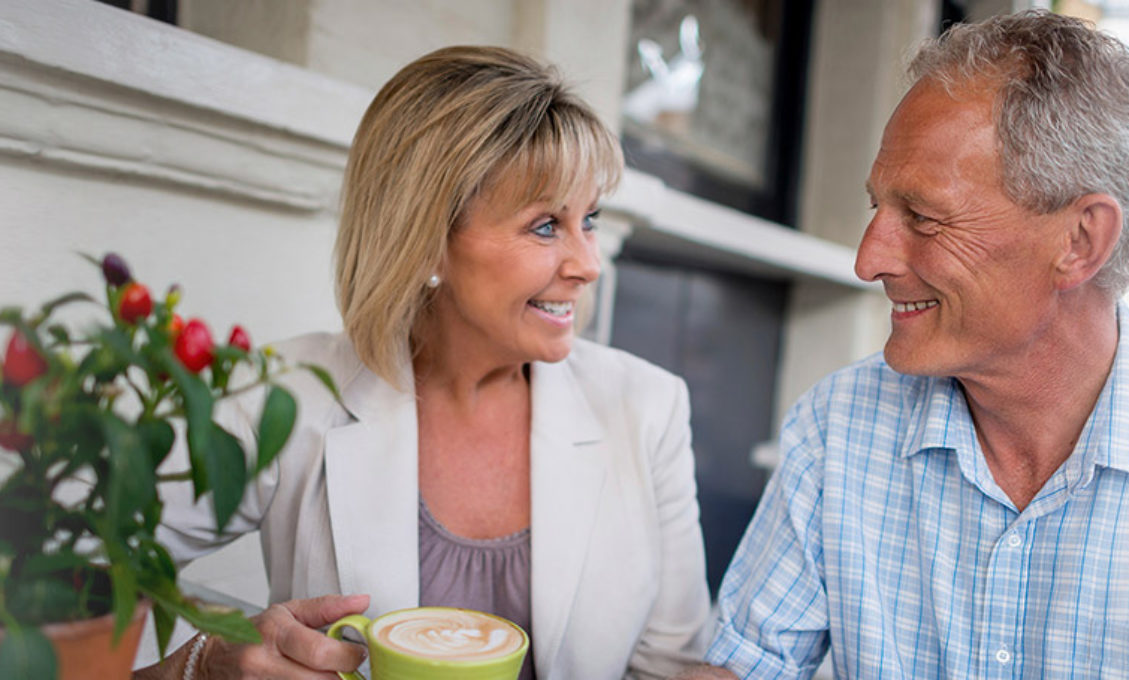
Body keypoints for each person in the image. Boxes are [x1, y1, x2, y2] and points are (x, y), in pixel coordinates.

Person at [680, 10, 1129, 679]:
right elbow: (745, 667)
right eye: (876, 208)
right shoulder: (839, 428)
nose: (868, 258)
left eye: (925, 218)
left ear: (1081, 241)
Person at [136, 46, 710, 680]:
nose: (588, 263)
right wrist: (201, 665)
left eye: (589, 219)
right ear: (425, 235)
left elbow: (672, 669)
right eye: (546, 225)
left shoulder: (648, 409)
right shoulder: (289, 396)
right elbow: (50, 579)